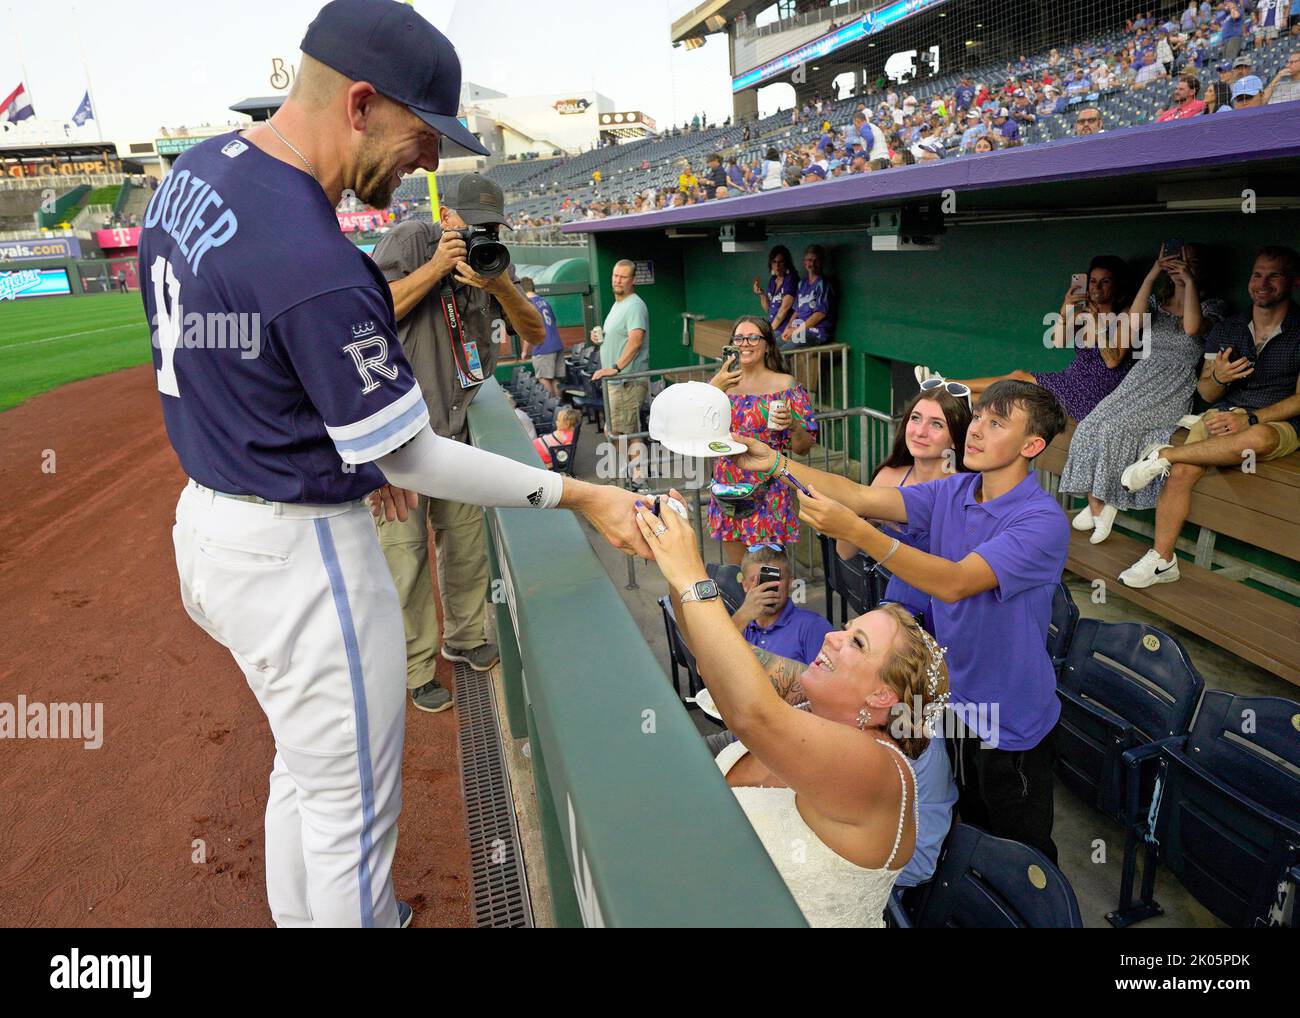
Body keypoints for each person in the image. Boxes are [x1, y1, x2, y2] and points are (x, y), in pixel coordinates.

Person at [147, 0, 646, 930]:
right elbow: (409, 455)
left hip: (211, 520)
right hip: (299, 557)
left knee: (304, 773)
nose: (430, 161)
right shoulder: (316, 257)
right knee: (351, 824)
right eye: (425, 136)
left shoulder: (196, 167)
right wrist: (576, 491)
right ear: (363, 103)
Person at [732, 380, 1070, 861]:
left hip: (1009, 721)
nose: (975, 430)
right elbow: (861, 496)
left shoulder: (1041, 521)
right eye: (977, 417)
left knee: (1022, 850)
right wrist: (777, 463)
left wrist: (860, 534)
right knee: (967, 829)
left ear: (1031, 445)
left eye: (997, 423)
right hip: (952, 703)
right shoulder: (956, 490)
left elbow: (954, 582)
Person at [645, 495, 944, 927]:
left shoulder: (879, 768)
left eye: (857, 643)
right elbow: (713, 654)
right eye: (847, 629)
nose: (833, 638)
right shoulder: (807, 702)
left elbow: (752, 715)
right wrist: (670, 547)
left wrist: (691, 573)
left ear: (883, 697)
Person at [372, 173, 544, 707]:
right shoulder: (410, 241)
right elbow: (372, 312)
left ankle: (464, 639)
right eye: (473, 224)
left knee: (466, 546)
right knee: (405, 558)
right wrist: (437, 268)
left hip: (455, 432)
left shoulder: (495, 259)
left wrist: (500, 287)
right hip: (399, 437)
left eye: (491, 224)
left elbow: (534, 333)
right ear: (447, 216)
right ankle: (415, 666)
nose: (482, 233)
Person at [1118, 247, 1300, 587]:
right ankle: (1162, 560)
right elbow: (1206, 392)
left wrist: (1253, 418)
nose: (1263, 283)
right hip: (1223, 416)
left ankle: (1162, 454)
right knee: (1183, 472)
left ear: (1293, 281)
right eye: (1257, 274)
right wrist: (1220, 377)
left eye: (1274, 275)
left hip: (1275, 422)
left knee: (1256, 438)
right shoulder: (1229, 328)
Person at [1061, 244, 1225, 544]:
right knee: (1090, 423)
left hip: (1172, 386)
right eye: (1177, 261)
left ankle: (1105, 502)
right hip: (1139, 378)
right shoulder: (1154, 302)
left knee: (1116, 428)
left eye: (1191, 263)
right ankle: (1099, 501)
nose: (1182, 267)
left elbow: (1191, 328)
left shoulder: (1214, 307)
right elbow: (1131, 324)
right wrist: (1152, 274)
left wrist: (1187, 281)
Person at [836, 383, 973, 625]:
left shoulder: (966, 490)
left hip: (950, 609)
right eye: (916, 418)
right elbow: (844, 551)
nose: (920, 432)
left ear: (955, 439)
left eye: (936, 424)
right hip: (898, 604)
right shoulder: (889, 476)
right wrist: (871, 516)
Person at [951, 255, 1135, 422]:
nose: (1096, 287)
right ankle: (948, 392)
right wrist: (1065, 308)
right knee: (1015, 389)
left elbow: (1112, 361)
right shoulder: (1085, 313)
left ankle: (945, 385)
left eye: (1105, 282)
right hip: (1071, 379)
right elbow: (1059, 341)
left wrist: (1097, 322)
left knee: (1018, 382)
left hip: (1093, 391)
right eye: (1093, 281)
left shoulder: (1124, 315)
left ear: (1117, 285)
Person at [708, 315, 817, 563]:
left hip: (769, 491)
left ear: (767, 344)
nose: (745, 343)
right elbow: (694, 431)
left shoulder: (785, 384)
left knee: (769, 576)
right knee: (740, 576)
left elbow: (803, 447)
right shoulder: (721, 384)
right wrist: (713, 388)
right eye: (739, 338)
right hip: (729, 488)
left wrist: (793, 424)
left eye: (753, 337)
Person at [592, 259, 651, 491]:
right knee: (621, 431)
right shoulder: (618, 304)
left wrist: (615, 368)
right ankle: (636, 474)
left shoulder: (635, 305)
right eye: (615, 276)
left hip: (628, 380)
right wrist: (600, 339)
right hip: (617, 381)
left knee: (624, 432)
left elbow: (635, 342)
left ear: (632, 280)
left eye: (623, 277)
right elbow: (621, 337)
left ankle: (639, 479)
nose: (617, 280)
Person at [729, 545, 834, 664]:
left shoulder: (813, 626)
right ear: (744, 585)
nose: (766, 588)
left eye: (775, 579)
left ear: (790, 582)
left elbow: (827, 680)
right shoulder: (737, 624)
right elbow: (711, 665)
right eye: (756, 580)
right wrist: (742, 616)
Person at [520, 276, 564, 398]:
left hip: (543, 347)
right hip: (557, 344)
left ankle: (554, 409)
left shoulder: (528, 304)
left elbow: (529, 331)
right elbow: (553, 321)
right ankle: (560, 408)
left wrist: (524, 351)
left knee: (544, 379)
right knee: (554, 378)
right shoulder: (544, 301)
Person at [782, 245, 834, 348]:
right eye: (809, 260)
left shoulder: (823, 284)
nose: (813, 264)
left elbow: (820, 314)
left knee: (783, 352)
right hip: (800, 330)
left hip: (815, 332)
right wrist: (788, 328)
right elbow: (797, 310)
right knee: (772, 346)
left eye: (816, 260)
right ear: (805, 262)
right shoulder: (802, 283)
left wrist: (796, 331)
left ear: (822, 262)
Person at [752, 244, 797, 335]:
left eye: (781, 262)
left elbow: (783, 310)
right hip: (774, 325)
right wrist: (761, 294)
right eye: (774, 262)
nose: (777, 265)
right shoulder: (773, 280)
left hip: (785, 328)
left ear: (787, 263)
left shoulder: (791, 280)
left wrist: (770, 332)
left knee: (763, 343)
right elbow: (768, 310)